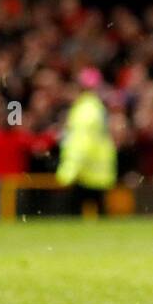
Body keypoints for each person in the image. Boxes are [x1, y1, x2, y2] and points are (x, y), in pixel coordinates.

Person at [55, 68, 117, 217]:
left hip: (85, 170)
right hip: (98, 169)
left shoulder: (85, 110)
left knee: (73, 215)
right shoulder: (96, 107)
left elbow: (81, 142)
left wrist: (69, 170)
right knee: (100, 213)